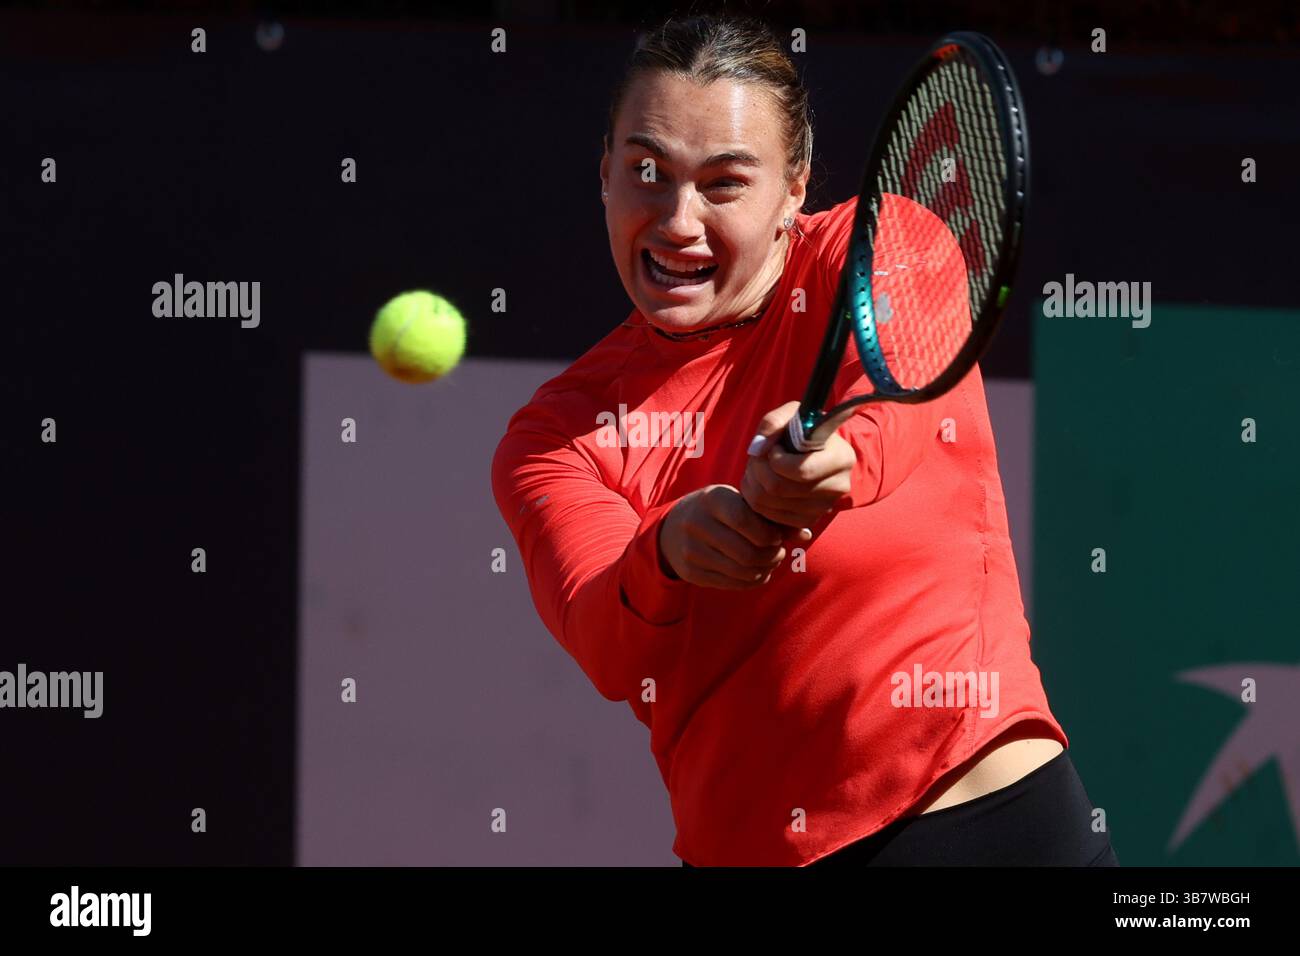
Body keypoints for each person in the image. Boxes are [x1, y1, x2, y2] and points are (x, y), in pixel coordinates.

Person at [491, 13, 1118, 867]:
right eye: (647, 172)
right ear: (604, 174)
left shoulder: (887, 243)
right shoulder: (553, 435)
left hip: (984, 821)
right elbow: (605, 634)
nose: (678, 220)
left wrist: (836, 461)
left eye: (723, 184)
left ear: (794, 188)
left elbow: (902, 405)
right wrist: (670, 548)